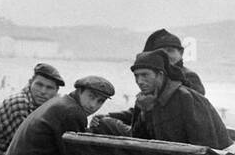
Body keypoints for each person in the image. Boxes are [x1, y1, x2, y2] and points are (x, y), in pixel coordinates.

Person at [92, 51, 230, 147]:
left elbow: (205, 145)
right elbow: (139, 141)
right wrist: (146, 112)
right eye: (136, 76)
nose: (139, 81)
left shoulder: (186, 98)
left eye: (145, 75)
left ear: (160, 75)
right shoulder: (144, 100)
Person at [2, 76, 115, 155]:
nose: (93, 105)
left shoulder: (62, 102)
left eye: (100, 101)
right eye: (91, 96)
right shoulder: (72, 112)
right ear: (80, 91)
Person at [142, 29, 205, 95]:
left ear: (181, 53)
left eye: (170, 50)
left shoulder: (189, 76)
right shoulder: (155, 76)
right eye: (161, 52)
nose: (166, 55)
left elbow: (195, 100)